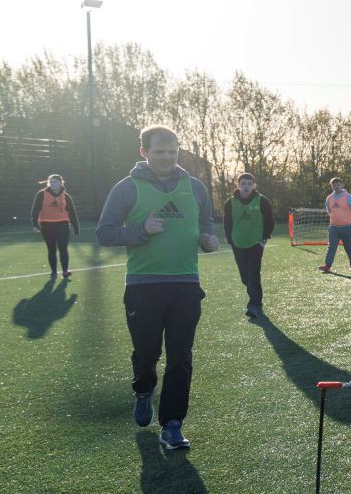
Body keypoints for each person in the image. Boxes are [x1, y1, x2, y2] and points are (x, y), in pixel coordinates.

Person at [96, 125, 219, 450]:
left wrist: (208, 240)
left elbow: (205, 222)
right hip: (143, 287)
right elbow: (105, 233)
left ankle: (172, 424)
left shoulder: (195, 187)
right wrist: (141, 230)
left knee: (180, 356)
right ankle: (143, 390)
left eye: (172, 152)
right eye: (160, 152)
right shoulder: (126, 188)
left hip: (186, 285)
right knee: (147, 353)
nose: (167, 157)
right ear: (144, 152)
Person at [222, 172, 275, 318]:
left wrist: (264, 239)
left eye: (249, 184)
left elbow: (269, 221)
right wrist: (231, 241)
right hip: (238, 243)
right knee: (245, 277)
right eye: (243, 184)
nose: (246, 186)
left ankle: (255, 305)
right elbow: (227, 224)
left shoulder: (262, 201)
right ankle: (255, 296)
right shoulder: (229, 203)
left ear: (254, 186)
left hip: (256, 243)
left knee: (253, 273)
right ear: (238, 185)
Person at [30, 174, 80, 279]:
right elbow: (35, 210)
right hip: (46, 224)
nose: (53, 184)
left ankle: (65, 271)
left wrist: (76, 227)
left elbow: (72, 212)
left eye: (55, 182)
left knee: (63, 248)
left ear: (61, 183)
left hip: (63, 224)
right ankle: (54, 272)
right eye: (51, 182)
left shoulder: (66, 196)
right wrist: (35, 224)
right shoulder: (41, 194)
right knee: (51, 249)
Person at [319, 177, 351, 273]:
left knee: (349, 247)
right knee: (331, 247)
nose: (336, 186)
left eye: (338, 184)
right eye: (334, 185)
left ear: (342, 185)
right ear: (331, 186)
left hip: (348, 227)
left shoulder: (349, 197)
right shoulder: (329, 198)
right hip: (333, 227)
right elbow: (329, 211)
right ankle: (327, 266)